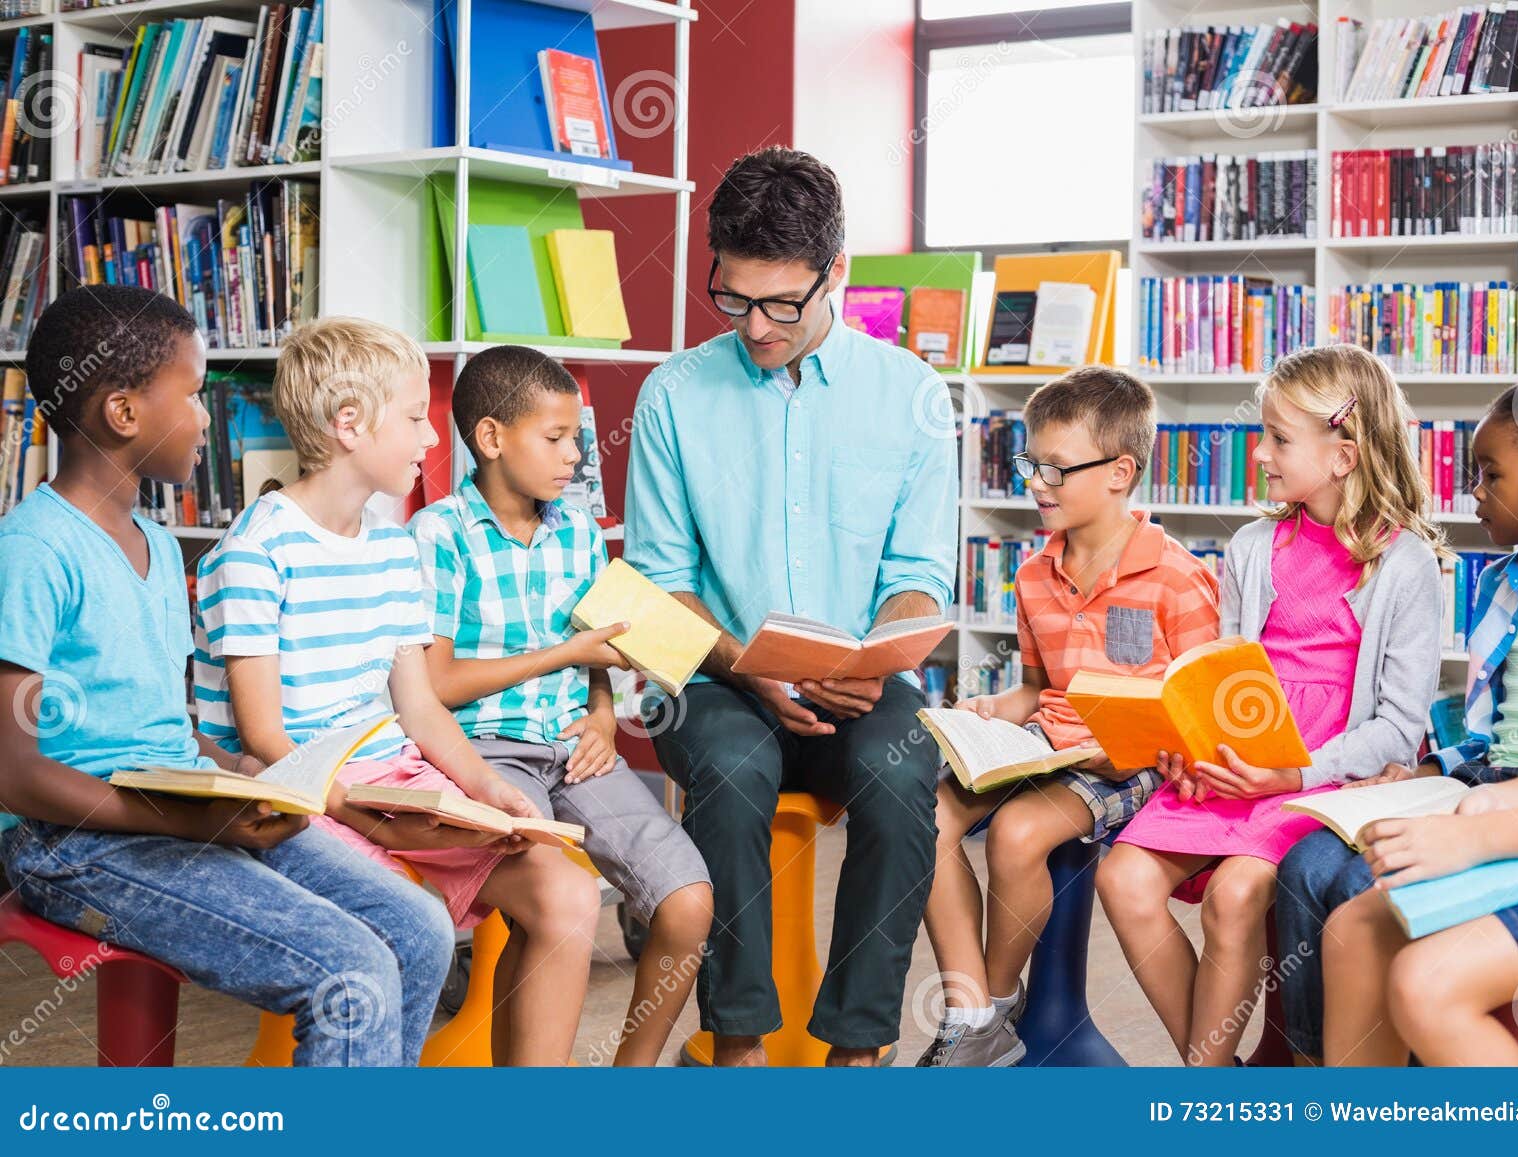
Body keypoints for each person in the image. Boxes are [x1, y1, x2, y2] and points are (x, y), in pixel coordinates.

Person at [0, 286, 456, 1066]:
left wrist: (248, 777)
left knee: (420, 929)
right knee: (353, 971)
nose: (209, 418)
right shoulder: (35, 549)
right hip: (71, 845)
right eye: (194, 394)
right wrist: (188, 820)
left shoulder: (153, 538)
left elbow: (161, 733)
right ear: (124, 413)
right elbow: (15, 775)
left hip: (174, 803)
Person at [625, 146, 956, 1066]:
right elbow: (657, 582)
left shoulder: (915, 398)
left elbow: (920, 571)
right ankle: (739, 1047)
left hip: (857, 679)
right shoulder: (674, 395)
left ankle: (858, 1051)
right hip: (716, 673)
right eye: (733, 298)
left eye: (782, 303)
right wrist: (754, 667)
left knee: (903, 772)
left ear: (836, 271)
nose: (757, 327)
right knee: (728, 773)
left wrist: (877, 648)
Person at [196, 317, 599, 1066]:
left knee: (568, 897)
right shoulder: (255, 552)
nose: (428, 439)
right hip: (299, 791)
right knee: (413, 925)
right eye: (415, 417)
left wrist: (484, 789)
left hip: (395, 783)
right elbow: (263, 739)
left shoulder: (389, 545)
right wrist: (366, 814)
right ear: (349, 425)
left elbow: (418, 707)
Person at [1096, 344, 1447, 1065]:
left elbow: (1399, 726)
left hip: (1318, 778)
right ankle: (1219, 1076)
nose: (1259, 455)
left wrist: (1294, 775)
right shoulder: (1255, 546)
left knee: (1233, 896)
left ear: (1344, 455)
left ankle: (1200, 1092)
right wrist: (1192, 745)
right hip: (1236, 758)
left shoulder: (1405, 563)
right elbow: (1222, 673)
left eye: (1279, 439)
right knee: (1122, 876)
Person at [1278, 377, 1518, 1063]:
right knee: (1328, 889)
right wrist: (1439, 782)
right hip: (1514, 787)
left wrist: (1480, 832)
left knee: (1393, 922)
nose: (1473, 491)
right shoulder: (1509, 583)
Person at [410, 344, 713, 1067]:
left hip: (576, 748)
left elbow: (595, 640)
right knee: (553, 907)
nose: (576, 455)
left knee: (689, 900)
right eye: (556, 438)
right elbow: (438, 684)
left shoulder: (578, 529)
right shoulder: (437, 535)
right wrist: (568, 658)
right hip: (482, 753)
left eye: (577, 436)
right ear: (490, 438)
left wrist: (604, 713)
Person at [917, 367, 1219, 1066]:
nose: (1036, 482)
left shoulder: (1177, 575)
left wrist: (1154, 744)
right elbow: (1034, 687)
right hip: (1042, 742)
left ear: (1120, 471)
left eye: (1056, 468)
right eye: (1031, 464)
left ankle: (989, 1010)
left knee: (1019, 832)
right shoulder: (1030, 575)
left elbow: (1197, 713)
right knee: (922, 816)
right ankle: (973, 1009)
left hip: (1129, 760)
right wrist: (988, 711)